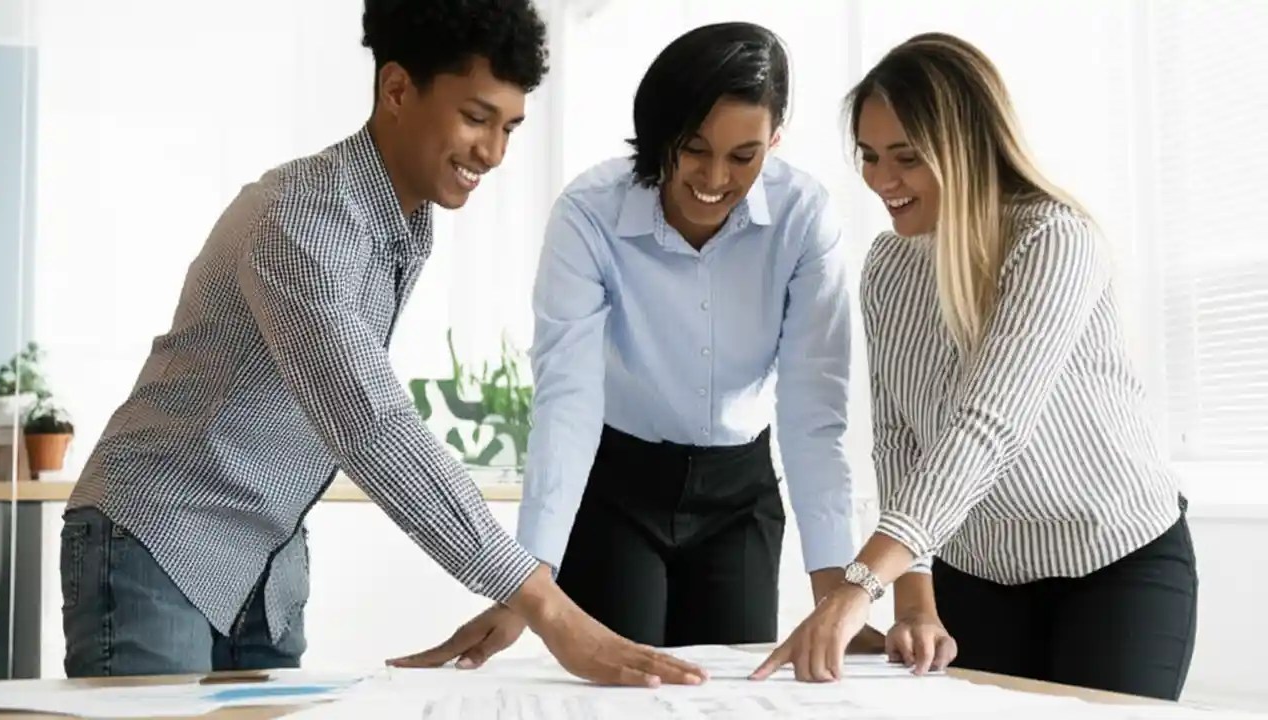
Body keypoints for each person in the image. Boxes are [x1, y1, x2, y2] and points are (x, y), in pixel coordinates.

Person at [59, 0, 705, 689]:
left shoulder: (403, 222)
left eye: (509, 128)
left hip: (268, 562)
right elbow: (369, 422)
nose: (492, 153)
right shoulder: (301, 219)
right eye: (476, 117)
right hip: (160, 538)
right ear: (397, 90)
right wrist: (548, 608)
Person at [396, 21, 885, 671]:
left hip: (738, 495)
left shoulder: (804, 219)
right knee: (619, 690)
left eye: (743, 156)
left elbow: (812, 410)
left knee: (726, 690)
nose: (714, 177)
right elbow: (567, 398)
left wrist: (834, 588)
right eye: (693, 148)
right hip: (619, 488)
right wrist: (527, 584)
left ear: (774, 140)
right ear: (661, 135)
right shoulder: (590, 214)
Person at [751, 32, 1198, 699]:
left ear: (966, 148)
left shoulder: (1053, 239)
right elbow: (902, 438)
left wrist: (856, 586)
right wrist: (912, 599)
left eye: (906, 157)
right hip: (979, 572)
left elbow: (984, 429)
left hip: (1113, 563)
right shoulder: (889, 265)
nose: (881, 180)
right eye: (870, 157)